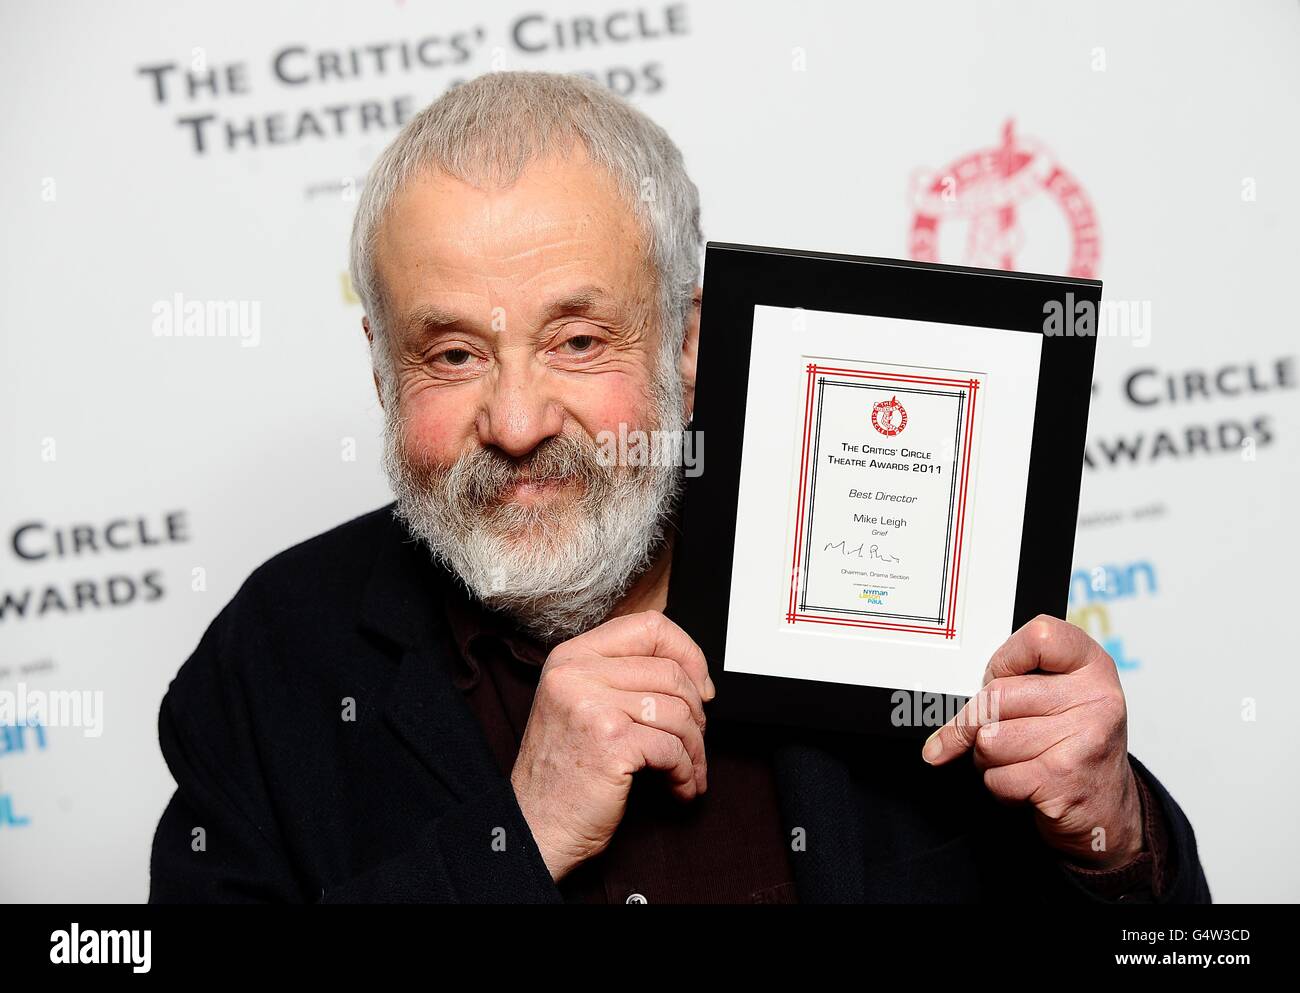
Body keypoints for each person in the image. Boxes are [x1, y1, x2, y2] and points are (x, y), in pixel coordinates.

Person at [149, 71, 1209, 904]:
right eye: (455, 355)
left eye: (577, 340)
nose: (517, 425)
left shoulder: (895, 566)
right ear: (381, 365)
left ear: (690, 341)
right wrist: (513, 841)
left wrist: (1111, 841)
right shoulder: (272, 662)